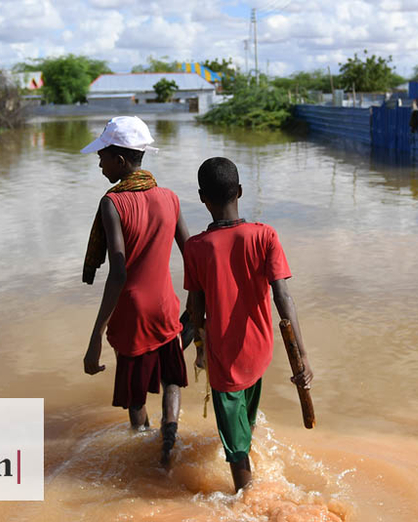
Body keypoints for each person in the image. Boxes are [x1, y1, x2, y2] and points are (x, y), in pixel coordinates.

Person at [183, 157, 314, 491]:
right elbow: (284, 298)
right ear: (239, 191)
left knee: (236, 449)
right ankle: (252, 474)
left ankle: (247, 500)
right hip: (259, 352)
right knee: (247, 423)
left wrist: (197, 346)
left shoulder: (196, 248)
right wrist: (302, 356)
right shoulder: (265, 235)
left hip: (225, 359)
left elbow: (197, 309)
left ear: (202, 197)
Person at [80, 116, 190, 466]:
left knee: (135, 396)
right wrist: (199, 304)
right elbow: (192, 253)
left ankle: (145, 450)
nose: (99, 164)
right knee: (172, 376)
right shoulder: (170, 198)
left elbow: (118, 271)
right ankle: (170, 430)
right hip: (166, 306)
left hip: (132, 313)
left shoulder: (112, 203)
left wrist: (96, 334)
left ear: (121, 161)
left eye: (103, 156)